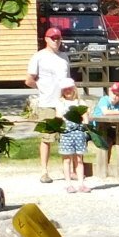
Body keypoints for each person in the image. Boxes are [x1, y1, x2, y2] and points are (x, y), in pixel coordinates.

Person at [25, 27, 72, 183]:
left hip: (64, 103)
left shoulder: (64, 57)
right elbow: (29, 80)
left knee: (68, 136)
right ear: (46, 39)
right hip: (47, 102)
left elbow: (68, 81)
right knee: (47, 137)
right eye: (53, 38)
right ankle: (44, 171)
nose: (56, 40)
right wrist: (41, 87)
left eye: (58, 38)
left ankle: (69, 169)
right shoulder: (38, 57)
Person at [56, 86, 91, 192]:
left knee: (79, 159)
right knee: (67, 159)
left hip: (78, 133)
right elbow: (58, 117)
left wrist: (83, 126)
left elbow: (85, 118)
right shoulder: (60, 103)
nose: (67, 91)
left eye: (70, 89)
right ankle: (68, 184)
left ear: (74, 90)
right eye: (65, 89)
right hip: (66, 133)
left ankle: (81, 184)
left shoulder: (81, 103)